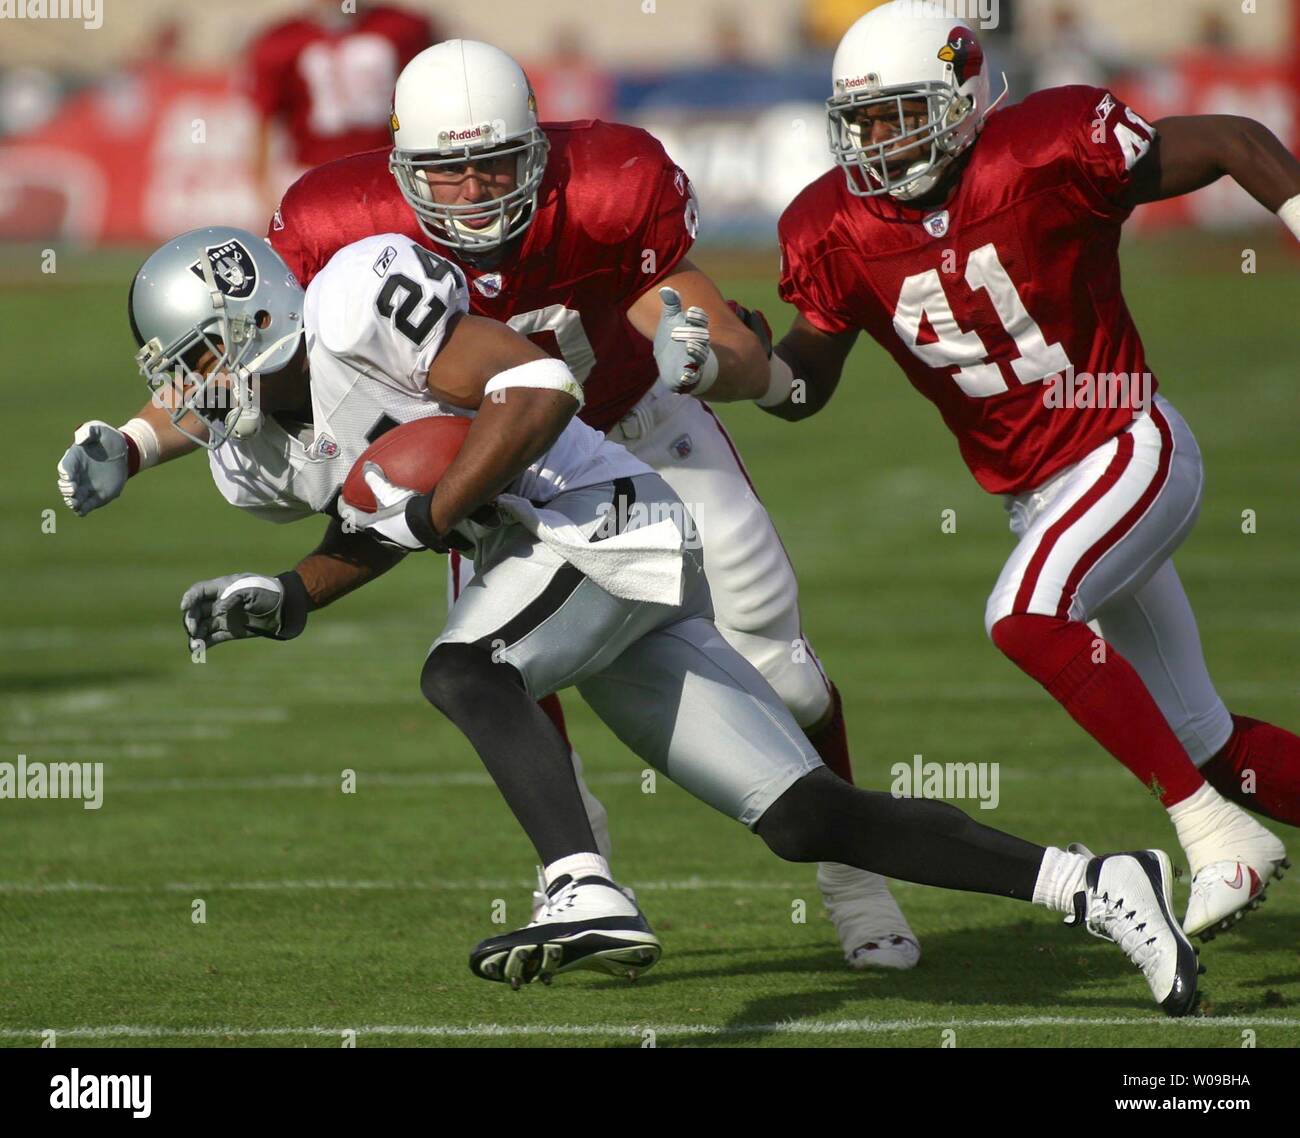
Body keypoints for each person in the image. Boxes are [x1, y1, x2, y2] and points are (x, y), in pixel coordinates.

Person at [58, 225, 1201, 1014]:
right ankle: (1093, 883)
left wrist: (437, 511)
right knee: (804, 815)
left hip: (599, 515)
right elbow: (376, 520)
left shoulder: (362, 306)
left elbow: (537, 393)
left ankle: (581, 883)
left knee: (462, 670)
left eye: (198, 356)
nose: (184, 387)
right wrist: (288, 596)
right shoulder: (251, 461)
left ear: (256, 323)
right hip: (550, 562)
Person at [270, 38, 921, 969]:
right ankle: (581, 884)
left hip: (636, 421)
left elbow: (690, 312)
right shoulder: (338, 215)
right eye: (445, 173)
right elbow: (259, 351)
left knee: (785, 676)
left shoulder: (610, 183)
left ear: (536, 149)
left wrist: (711, 351)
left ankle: (857, 883)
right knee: (502, 676)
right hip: (493, 458)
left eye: (494, 162)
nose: (473, 192)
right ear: (401, 166)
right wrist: (140, 441)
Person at [755, 1, 1298, 937]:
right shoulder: (833, 226)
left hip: (1126, 440)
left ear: (963, 99)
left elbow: (1234, 139)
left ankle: (1216, 840)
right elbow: (807, 386)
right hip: (1043, 494)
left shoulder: (1045, 149)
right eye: (864, 121)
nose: (880, 142)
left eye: (901, 114)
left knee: (1024, 616)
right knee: (1206, 743)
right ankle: (1217, 806)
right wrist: (747, 370)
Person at [245, 0, 434, 211]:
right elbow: (262, 122)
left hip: (391, 168)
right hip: (313, 176)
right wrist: (265, 189)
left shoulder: (404, 27)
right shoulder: (281, 40)